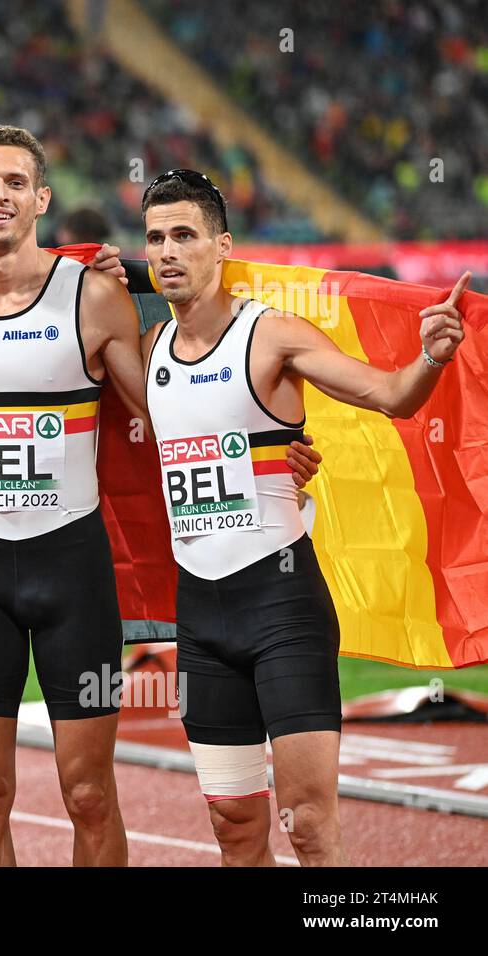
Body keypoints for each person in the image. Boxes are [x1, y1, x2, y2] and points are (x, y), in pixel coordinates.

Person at [0, 127, 322, 867]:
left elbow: (168, 416)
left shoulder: (93, 300)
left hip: (72, 571)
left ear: (41, 199)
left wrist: (264, 449)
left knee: (88, 791)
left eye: (16, 183)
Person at [139, 168, 470, 866]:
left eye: (185, 236)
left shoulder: (271, 334)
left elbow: (389, 396)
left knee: (309, 825)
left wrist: (431, 357)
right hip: (199, 616)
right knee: (234, 825)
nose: (168, 250)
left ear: (221, 246)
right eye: (155, 238)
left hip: (280, 607)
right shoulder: (149, 354)